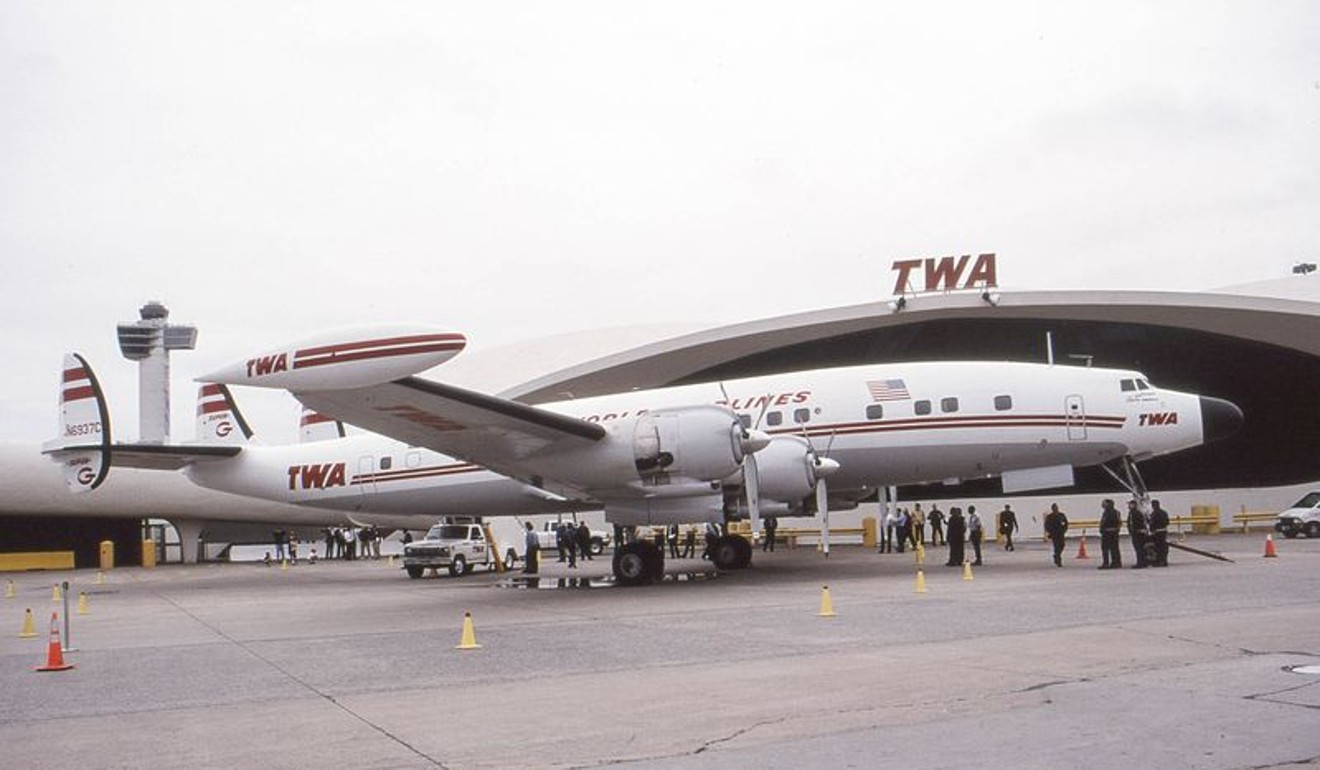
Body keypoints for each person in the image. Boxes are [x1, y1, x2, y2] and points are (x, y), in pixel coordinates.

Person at [1098, 498, 1122, 569]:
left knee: (1112, 548)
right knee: (1109, 548)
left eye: (1104, 503)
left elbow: (1118, 523)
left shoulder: (1114, 512)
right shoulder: (1106, 512)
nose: (1102, 505)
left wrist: (1114, 530)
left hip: (1110, 533)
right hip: (1107, 533)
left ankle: (1113, 563)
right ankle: (1111, 563)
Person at [1127, 499, 1150, 569]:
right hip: (1138, 532)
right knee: (1140, 548)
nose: (1128, 506)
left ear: (1134, 505)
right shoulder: (1134, 513)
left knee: (1139, 548)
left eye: (1130, 504)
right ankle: (1143, 562)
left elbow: (1136, 524)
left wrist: (1134, 531)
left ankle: (1141, 562)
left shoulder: (1135, 513)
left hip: (1137, 533)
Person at [1149, 499, 1170, 567]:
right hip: (1164, 531)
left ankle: (1158, 561)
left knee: (1158, 547)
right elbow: (1167, 522)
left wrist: (1151, 529)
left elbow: (1152, 523)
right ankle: (1164, 560)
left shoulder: (1154, 513)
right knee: (1163, 547)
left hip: (1157, 532)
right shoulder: (1164, 512)